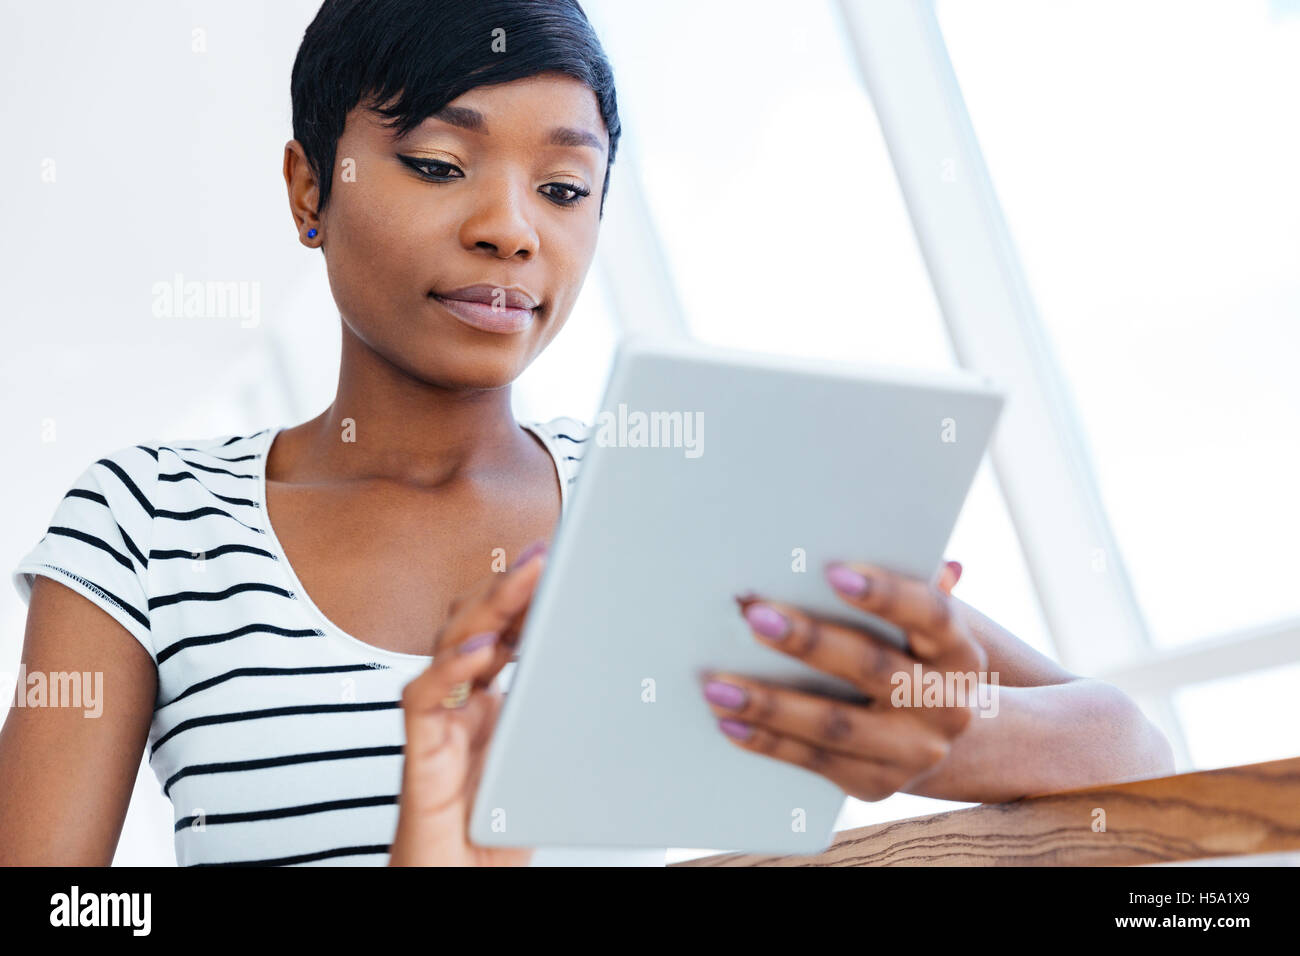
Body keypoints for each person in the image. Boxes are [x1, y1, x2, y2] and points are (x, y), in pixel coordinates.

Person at [0, 0, 1173, 867]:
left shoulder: (665, 493)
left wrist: (942, 737)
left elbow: (1129, 743)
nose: (511, 230)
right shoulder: (147, 520)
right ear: (311, 188)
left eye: (564, 189)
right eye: (439, 163)